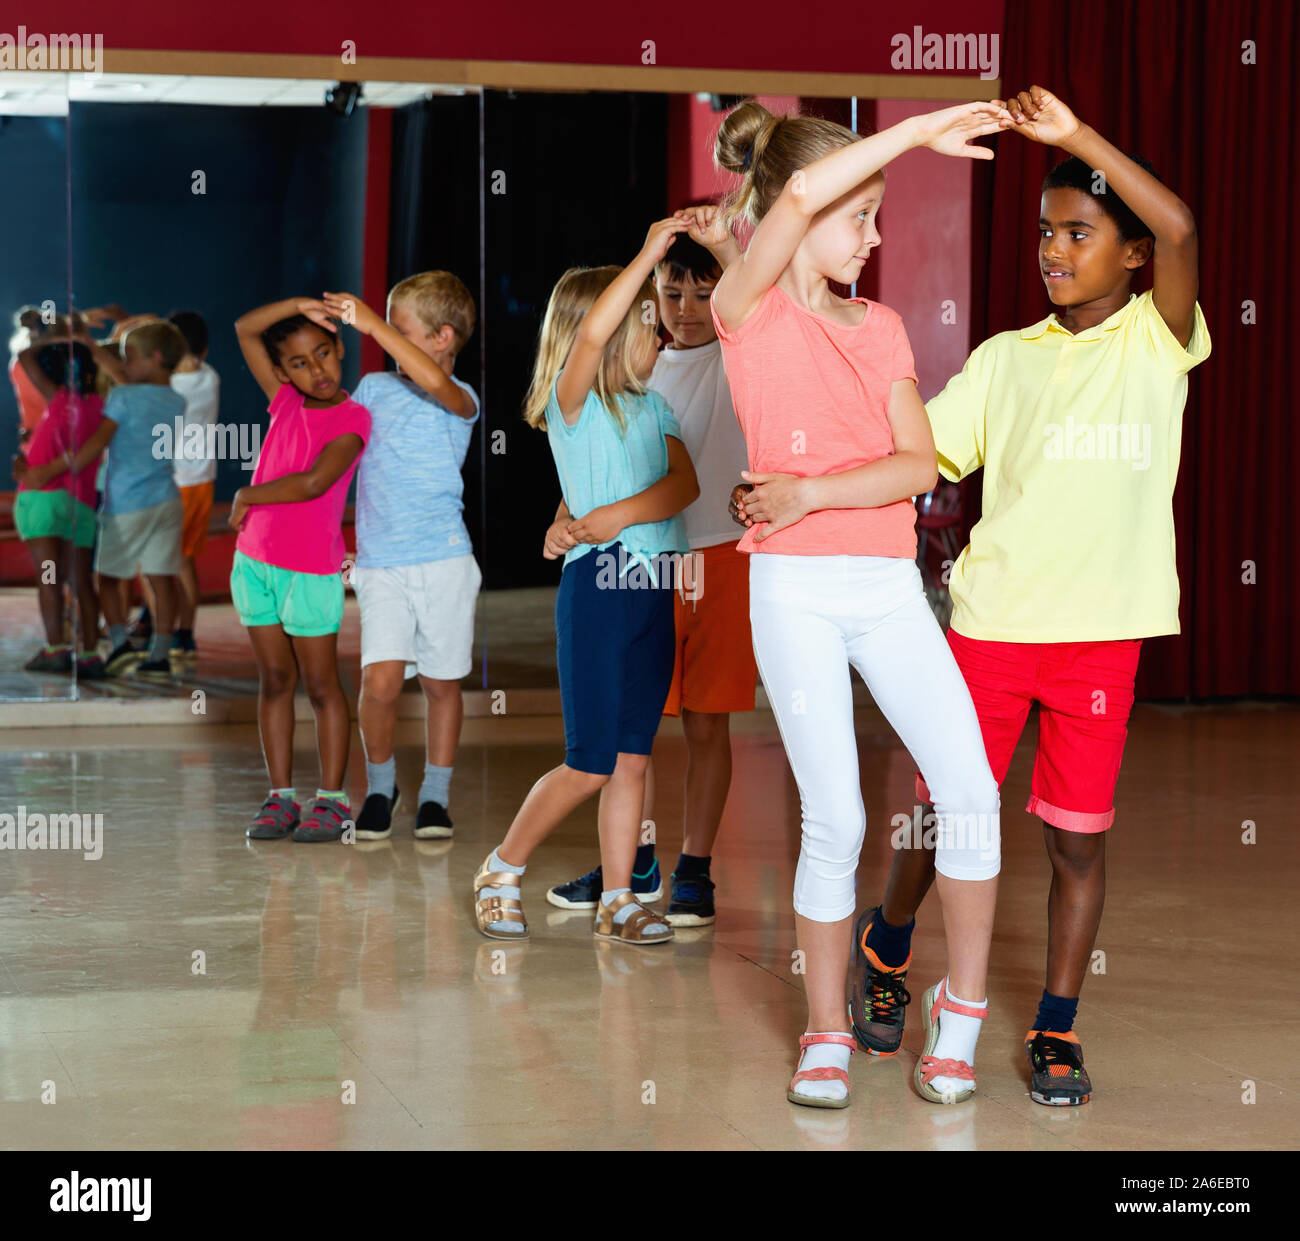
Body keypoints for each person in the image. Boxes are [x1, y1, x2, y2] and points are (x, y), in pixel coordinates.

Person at [846, 86, 1211, 1108]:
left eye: (1079, 232)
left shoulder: (1155, 342)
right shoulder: (1004, 360)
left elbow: (1179, 220)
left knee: (1075, 839)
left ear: (1132, 256)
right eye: (1047, 232)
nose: (1054, 250)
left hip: (1099, 643)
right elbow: (917, 451)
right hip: (991, 632)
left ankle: (1055, 1024)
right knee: (940, 819)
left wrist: (1073, 138)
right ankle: (887, 944)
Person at [712, 97, 1009, 1108]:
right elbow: (794, 194)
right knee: (834, 815)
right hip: (792, 591)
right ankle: (826, 1027)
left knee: (967, 793)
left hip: (884, 586)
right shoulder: (743, 310)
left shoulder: (880, 328)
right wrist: (917, 133)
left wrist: (807, 492)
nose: (875, 238)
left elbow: (916, 464)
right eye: (863, 215)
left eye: (881, 215)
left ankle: (959, 1013)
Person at [472, 219, 699, 946]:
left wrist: (604, 514)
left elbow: (681, 485)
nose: (659, 333)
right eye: (646, 319)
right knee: (590, 762)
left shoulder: (655, 406)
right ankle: (501, 869)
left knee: (634, 756)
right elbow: (593, 340)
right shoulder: (575, 402)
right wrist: (646, 255)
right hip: (598, 590)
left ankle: (619, 897)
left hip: (652, 590)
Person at [545, 212, 754, 927]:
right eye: (674, 294)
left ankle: (695, 867)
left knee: (705, 722)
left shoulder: (740, 351)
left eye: (705, 293)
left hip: (722, 554)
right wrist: (563, 512)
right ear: (652, 297)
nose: (688, 310)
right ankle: (630, 864)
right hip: (643, 564)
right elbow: (596, 455)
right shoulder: (636, 364)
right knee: (639, 730)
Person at [325, 274, 482, 843]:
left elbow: (435, 381)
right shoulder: (371, 388)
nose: (385, 338)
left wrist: (369, 323)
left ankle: (435, 795)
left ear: (442, 337)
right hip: (381, 563)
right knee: (381, 681)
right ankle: (380, 785)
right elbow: (342, 459)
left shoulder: (460, 398)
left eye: (399, 329)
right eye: (385, 325)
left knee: (442, 684)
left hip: (444, 562)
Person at [231, 297, 370, 843]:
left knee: (319, 684)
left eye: (323, 354)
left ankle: (332, 801)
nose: (316, 371)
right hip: (255, 562)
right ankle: (280, 796)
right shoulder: (285, 402)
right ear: (283, 372)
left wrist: (248, 491)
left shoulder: (354, 417)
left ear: (339, 348)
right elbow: (246, 328)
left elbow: (314, 482)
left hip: (310, 571)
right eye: (298, 363)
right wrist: (296, 306)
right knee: (275, 682)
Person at [24, 321, 187, 681]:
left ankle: (118, 645)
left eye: (129, 357)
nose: (123, 365)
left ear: (155, 358)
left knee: (109, 579)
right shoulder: (176, 399)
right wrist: (92, 346)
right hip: (166, 500)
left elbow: (95, 447)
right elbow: (133, 384)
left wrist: (49, 472)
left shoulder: (122, 399)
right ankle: (159, 655)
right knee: (162, 579)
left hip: (127, 504)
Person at [10, 338, 105, 676]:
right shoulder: (100, 406)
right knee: (81, 581)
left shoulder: (60, 398)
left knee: (49, 577)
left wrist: (59, 337)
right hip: (80, 505)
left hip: (44, 503)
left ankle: (57, 649)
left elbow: (24, 355)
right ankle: (91, 654)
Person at [166, 310, 221, 663]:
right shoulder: (211, 376)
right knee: (184, 561)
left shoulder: (168, 385)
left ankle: (168, 630)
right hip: (201, 481)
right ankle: (184, 632)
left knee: (167, 564)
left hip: (173, 484)